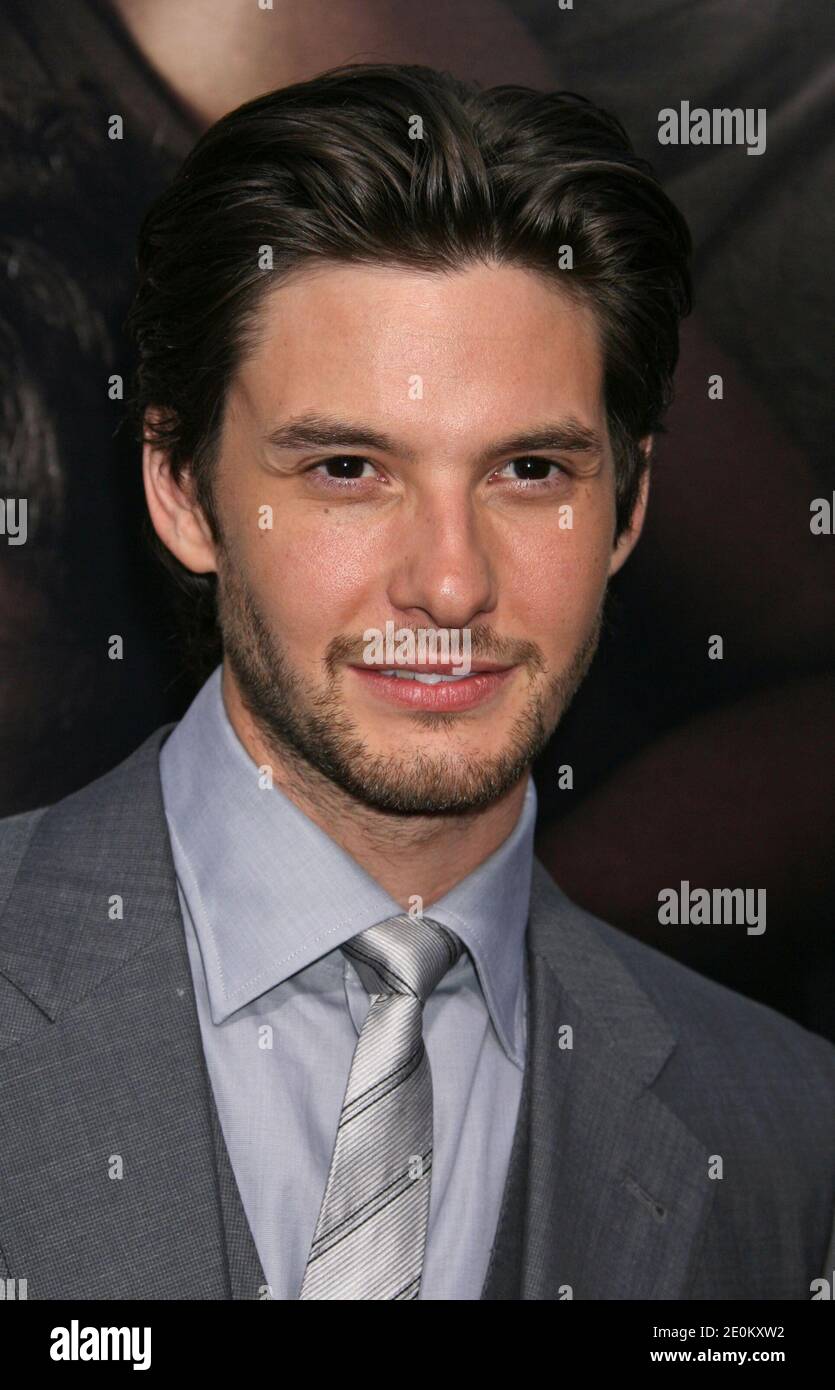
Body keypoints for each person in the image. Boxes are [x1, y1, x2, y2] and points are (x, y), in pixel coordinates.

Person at [0, 62, 832, 1302]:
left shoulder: (787, 1137)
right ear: (181, 489)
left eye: (531, 471)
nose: (450, 586)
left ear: (629, 507)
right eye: (346, 468)